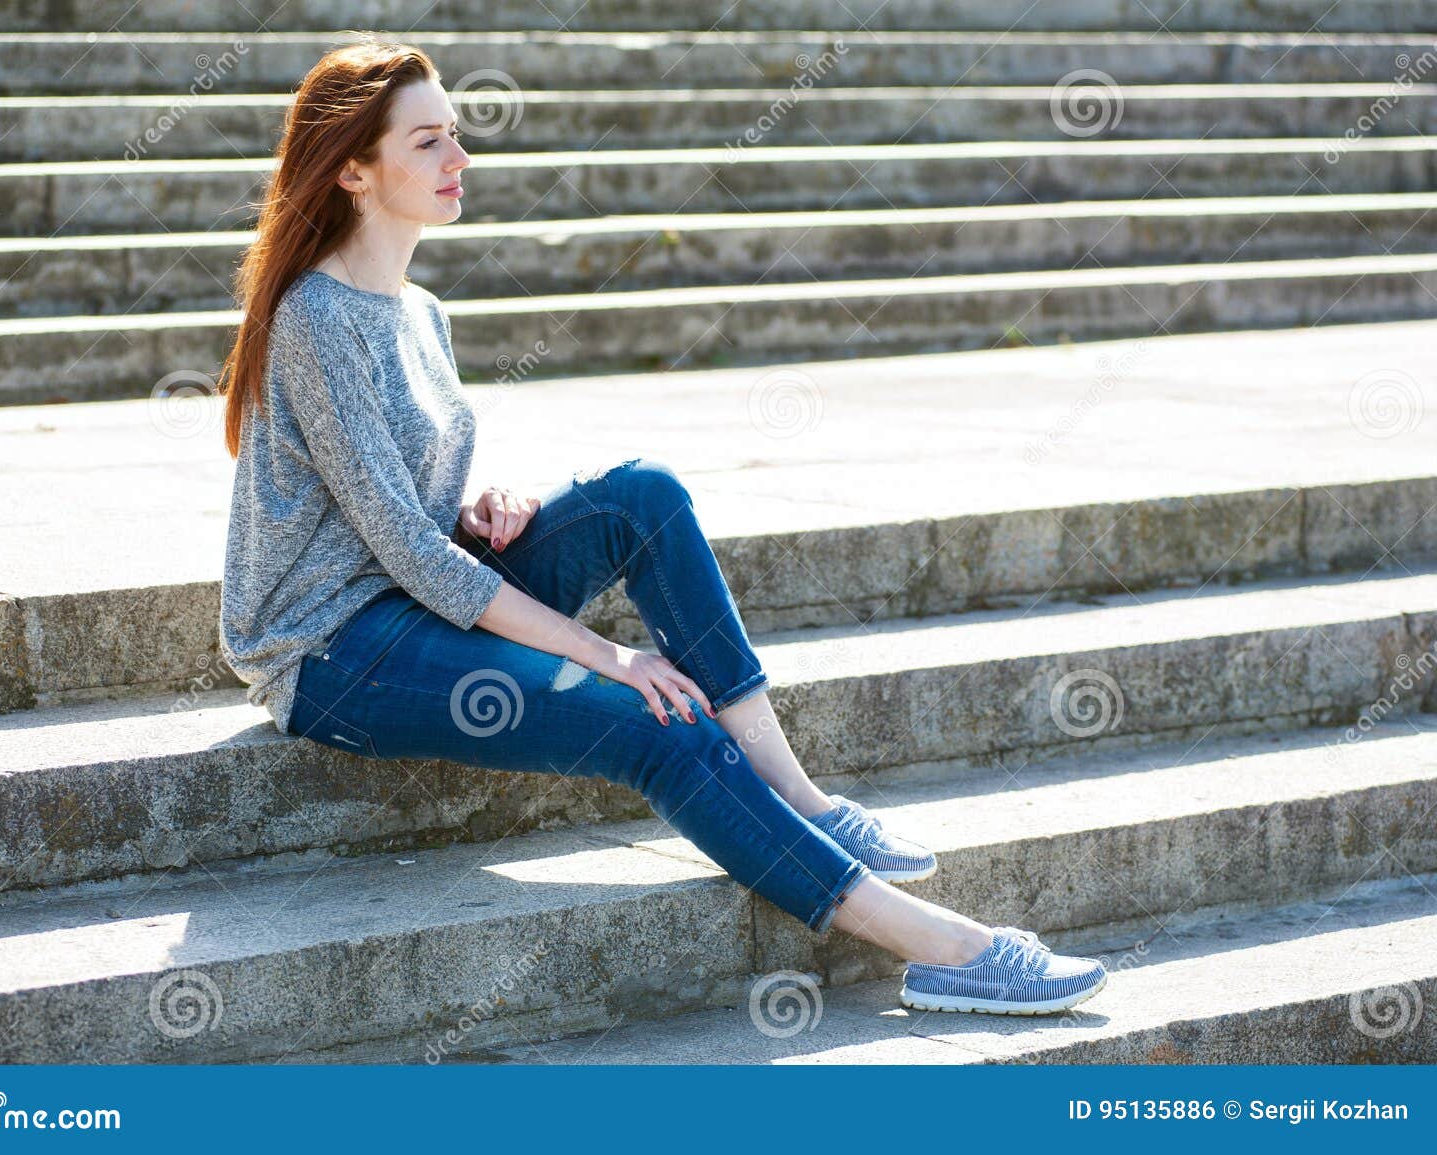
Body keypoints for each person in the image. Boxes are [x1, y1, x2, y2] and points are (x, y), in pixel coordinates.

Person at [216, 34, 1107, 1018]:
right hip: (334, 651)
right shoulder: (316, 318)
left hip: (413, 593)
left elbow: (396, 508)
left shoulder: (421, 311)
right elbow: (411, 555)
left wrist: (471, 505)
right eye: (427, 142)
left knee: (641, 494)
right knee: (658, 719)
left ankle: (803, 802)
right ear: (352, 170)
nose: (461, 158)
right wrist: (610, 655)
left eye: (455, 133)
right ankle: (946, 949)